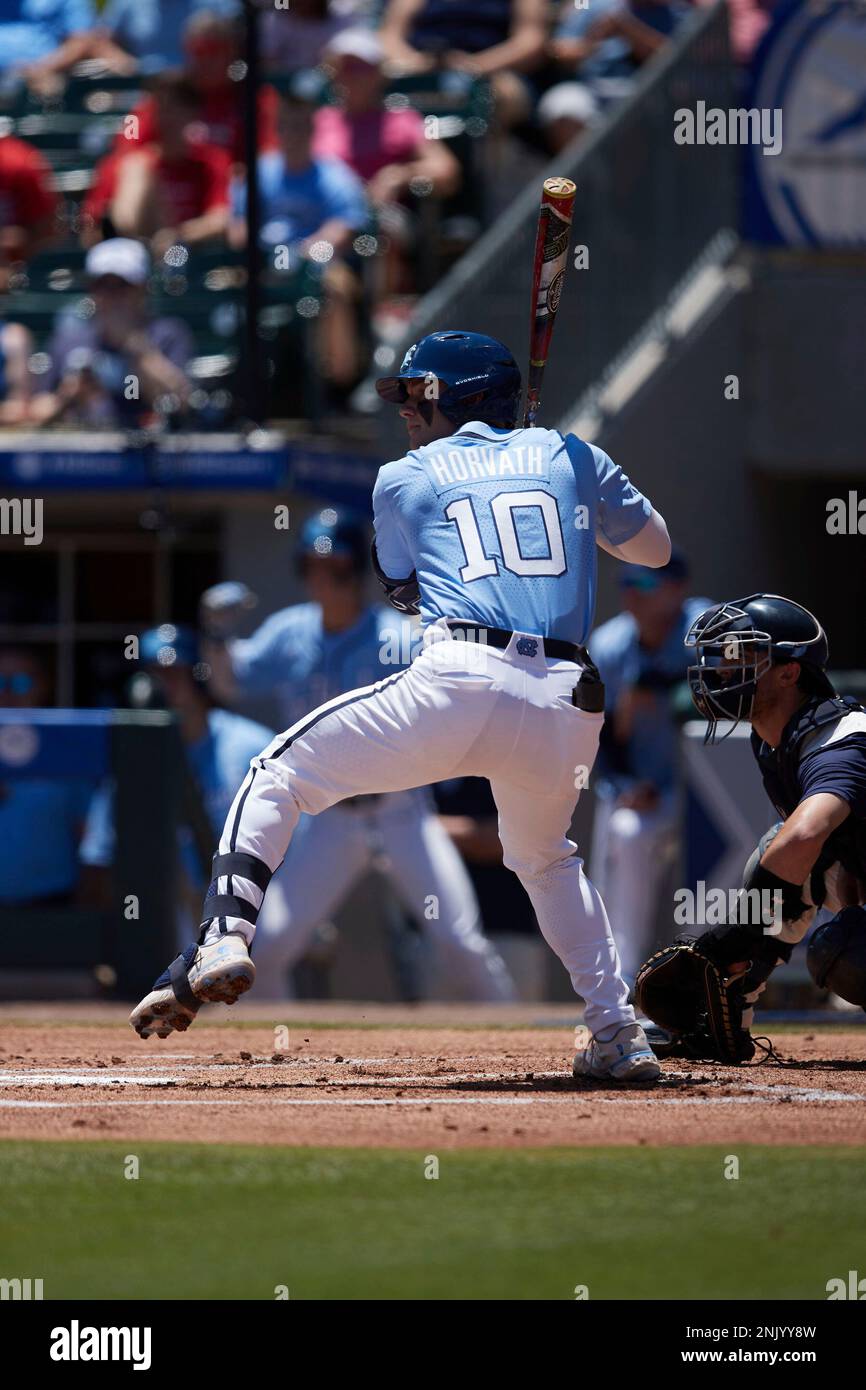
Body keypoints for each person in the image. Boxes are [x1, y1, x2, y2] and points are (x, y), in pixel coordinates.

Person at [130, 329, 671, 1087]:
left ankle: (222, 936)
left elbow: (404, 583)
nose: (408, 411)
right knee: (547, 860)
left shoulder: (403, 478)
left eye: (420, 395)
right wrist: (569, 477)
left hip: (461, 678)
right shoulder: (572, 454)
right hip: (565, 703)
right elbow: (654, 549)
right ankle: (616, 1031)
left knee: (276, 770)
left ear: (461, 394)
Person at [196, 508, 515, 1003]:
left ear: (356, 572)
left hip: (401, 812)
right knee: (272, 943)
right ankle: (260, 1052)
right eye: (313, 567)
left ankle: (517, 1046)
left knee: (458, 943)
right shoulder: (290, 631)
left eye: (336, 568)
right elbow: (230, 683)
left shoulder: (398, 636)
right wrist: (215, 637)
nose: (324, 580)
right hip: (331, 820)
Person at [635, 595, 866, 1062]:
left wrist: (729, 936)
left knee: (846, 949)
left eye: (744, 656)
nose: (724, 670)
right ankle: (724, 1010)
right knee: (781, 857)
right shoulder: (777, 737)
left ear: (789, 672)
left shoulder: (841, 740)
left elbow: (805, 835)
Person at [80, 624, 287, 949]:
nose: (167, 686)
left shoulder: (252, 745)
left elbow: (295, 836)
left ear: (198, 677)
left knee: (273, 930)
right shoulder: (133, 756)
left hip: (250, 887)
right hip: (170, 897)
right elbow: (99, 854)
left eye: (176, 674)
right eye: (156, 676)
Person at [588, 552, 712, 986]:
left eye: (644, 585)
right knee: (626, 830)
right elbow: (596, 734)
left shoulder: (706, 627)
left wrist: (656, 687)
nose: (631, 595)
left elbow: (729, 696)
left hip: (710, 790)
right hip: (648, 791)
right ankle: (620, 979)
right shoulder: (610, 643)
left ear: (677, 588)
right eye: (627, 584)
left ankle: (711, 976)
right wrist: (625, 783)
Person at [231, 89, 370, 393]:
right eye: (287, 126)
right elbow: (239, 228)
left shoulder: (334, 176)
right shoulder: (259, 173)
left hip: (316, 265)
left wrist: (305, 252)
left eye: (301, 126)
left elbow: (344, 227)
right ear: (277, 129)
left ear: (312, 129)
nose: (294, 133)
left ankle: (339, 383)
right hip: (263, 265)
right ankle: (239, 380)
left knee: (338, 285)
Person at [315, 28, 461, 294]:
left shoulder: (402, 119)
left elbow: (446, 170)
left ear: (379, 73)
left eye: (361, 68)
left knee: (382, 228)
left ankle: (382, 313)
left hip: (380, 214)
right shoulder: (318, 121)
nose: (351, 76)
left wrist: (399, 175)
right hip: (324, 216)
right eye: (345, 67)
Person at [33, 237, 192, 429]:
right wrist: (69, 396)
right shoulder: (69, 340)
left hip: (147, 450)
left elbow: (182, 402)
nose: (111, 296)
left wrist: (137, 349)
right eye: (102, 285)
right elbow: (37, 410)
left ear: (142, 289)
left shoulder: (167, 334)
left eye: (121, 286)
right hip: (83, 450)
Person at [83, 73, 232, 256]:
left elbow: (220, 219)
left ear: (193, 112)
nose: (167, 117)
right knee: (136, 168)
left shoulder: (211, 161)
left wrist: (175, 236)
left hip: (191, 257)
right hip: (134, 259)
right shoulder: (125, 164)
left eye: (176, 107)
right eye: (161, 107)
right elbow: (93, 229)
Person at [0, 647, 93, 908]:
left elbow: (88, 840)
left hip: (52, 908)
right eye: (0, 682)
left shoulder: (66, 755)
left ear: (42, 686)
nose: (7, 694)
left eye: (20, 683)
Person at [380, 0, 548, 129]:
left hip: (493, 73)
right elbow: (389, 36)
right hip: (421, 72)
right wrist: (416, 63)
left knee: (501, 95)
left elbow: (531, 42)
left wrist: (473, 66)